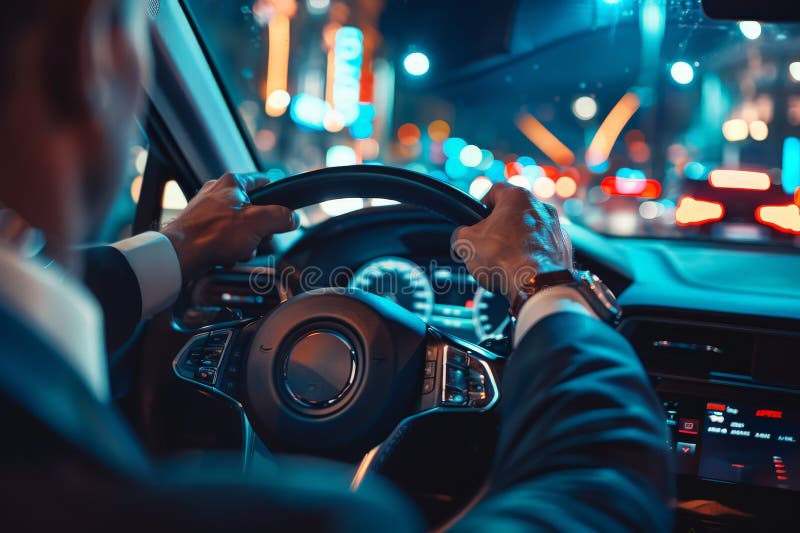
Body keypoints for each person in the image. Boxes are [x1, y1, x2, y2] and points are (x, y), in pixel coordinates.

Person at [0, 1, 673, 531]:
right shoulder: (318, 519)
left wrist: (178, 250)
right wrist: (544, 283)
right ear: (88, 57)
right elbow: (600, 485)